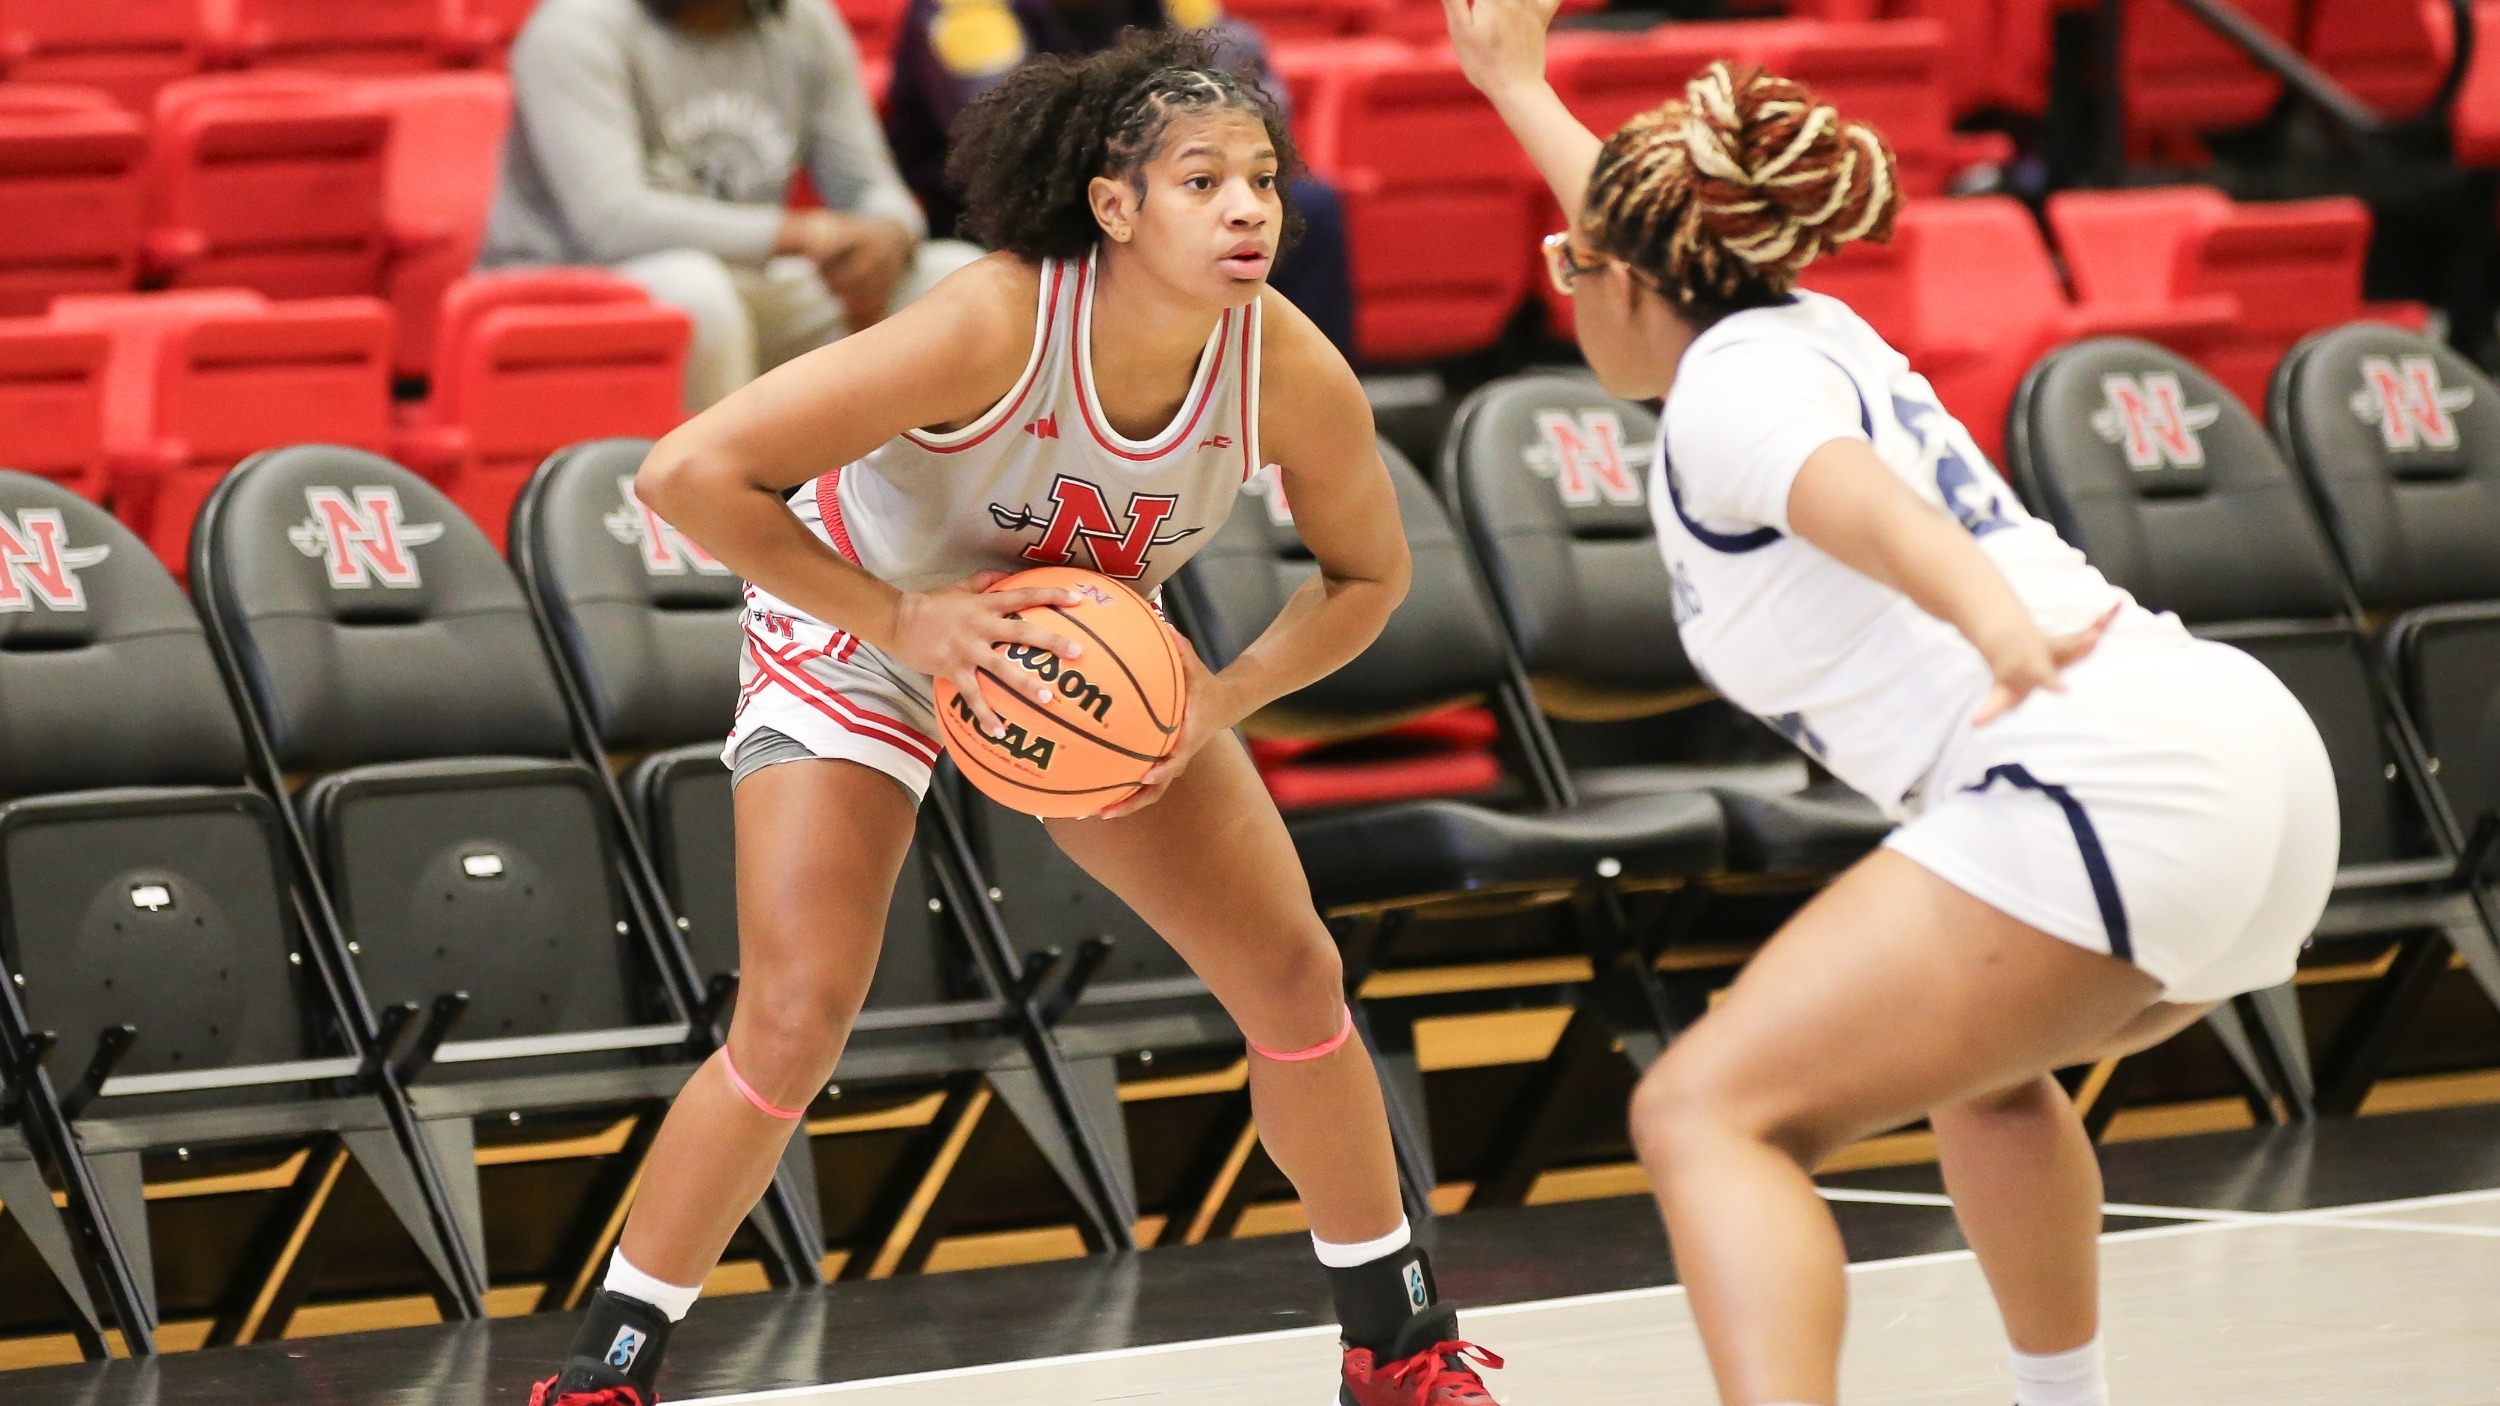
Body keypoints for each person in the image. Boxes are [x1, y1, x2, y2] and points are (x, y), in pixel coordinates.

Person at [528, 30, 1507, 1406]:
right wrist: (900, 620)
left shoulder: (1285, 362)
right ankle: (607, 1370)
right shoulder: (993, 319)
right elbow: (689, 472)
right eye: (1203, 181)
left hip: (1081, 663)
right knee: (796, 1013)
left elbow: (1370, 577)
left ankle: (1396, 1346)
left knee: (1294, 977)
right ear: (1115, 205)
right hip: (862, 629)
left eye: (1263, 181)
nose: (1247, 210)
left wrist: (1218, 698)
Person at [1442, 3, 2340, 1405]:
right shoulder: (1795, 323)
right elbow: (1635, 218)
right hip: (2241, 750)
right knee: (1982, 1070)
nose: (1566, 280)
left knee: (1705, 1113)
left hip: (2095, 766)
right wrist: (1512, 83)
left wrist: (1991, 625)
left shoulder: (1728, 400)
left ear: (1628, 275)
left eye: (1577, 263)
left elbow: (1864, 507)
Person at [479, 0, 981, 411]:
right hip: (572, 290)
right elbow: (611, 222)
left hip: (741, 282)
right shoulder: (575, 27)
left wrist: (887, 236)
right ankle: (706, 497)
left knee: (953, 278)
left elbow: (870, 185)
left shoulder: (805, 21)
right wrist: (805, 234)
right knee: (697, 293)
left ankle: (919, 499)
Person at [882, 0, 1360, 354]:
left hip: (1157, 182)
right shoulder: (965, 7)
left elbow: (1251, 108)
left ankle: (1304, 404)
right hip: (1005, 214)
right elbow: (1016, 139)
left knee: (1310, 211)